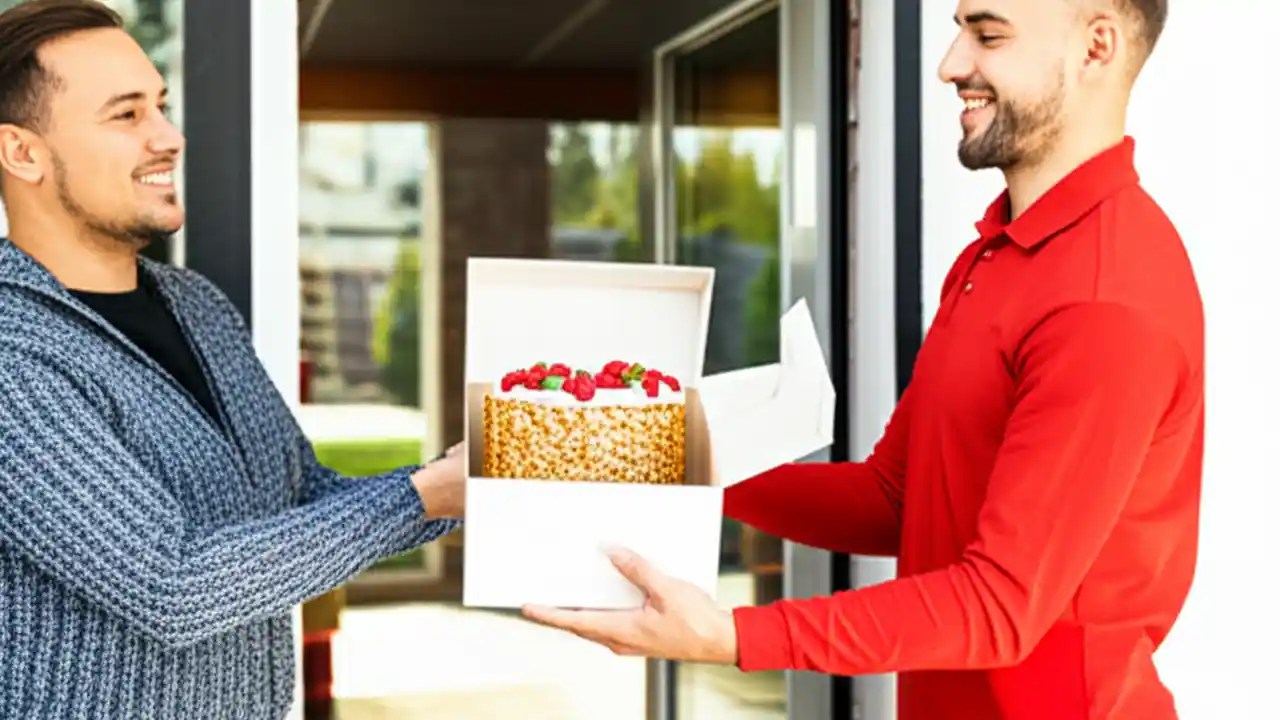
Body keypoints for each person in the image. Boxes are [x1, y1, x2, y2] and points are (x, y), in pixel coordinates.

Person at [524, 1, 1202, 718]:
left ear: (1097, 46)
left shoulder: (1105, 298)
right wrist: (666, 457)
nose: (950, 65)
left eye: (988, 35)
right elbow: (896, 500)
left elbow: (1002, 605)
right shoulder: (994, 257)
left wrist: (733, 635)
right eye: (957, 30)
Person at [0, 1, 464, 717]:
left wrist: (464, 480)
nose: (169, 136)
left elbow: (301, 495)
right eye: (126, 116)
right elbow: (172, 585)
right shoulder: (12, 351)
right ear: (21, 152)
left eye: (161, 106)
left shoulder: (197, 307)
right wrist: (425, 496)